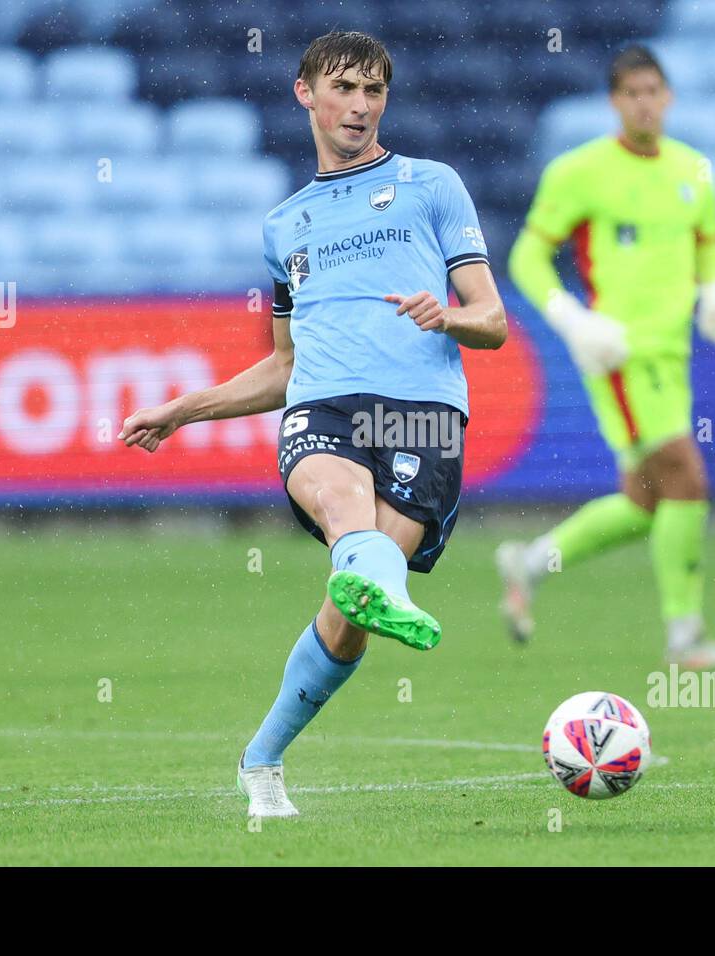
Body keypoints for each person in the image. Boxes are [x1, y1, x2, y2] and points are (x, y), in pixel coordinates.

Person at [118, 31, 505, 817]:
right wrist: (184, 409)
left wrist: (448, 316)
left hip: (425, 417)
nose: (359, 106)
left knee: (351, 609)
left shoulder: (432, 186)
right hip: (324, 406)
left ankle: (261, 758)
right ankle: (381, 582)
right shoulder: (284, 226)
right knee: (342, 511)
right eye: (343, 88)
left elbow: (492, 320)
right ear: (306, 93)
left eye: (373, 91)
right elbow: (284, 365)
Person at [497, 44, 715, 670]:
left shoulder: (693, 170)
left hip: (672, 353)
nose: (643, 104)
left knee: (645, 503)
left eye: (652, 92)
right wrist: (572, 320)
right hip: (620, 353)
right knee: (686, 476)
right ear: (615, 101)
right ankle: (685, 636)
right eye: (631, 93)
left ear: (669, 97)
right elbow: (527, 257)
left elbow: (710, 245)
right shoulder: (581, 171)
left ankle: (532, 562)